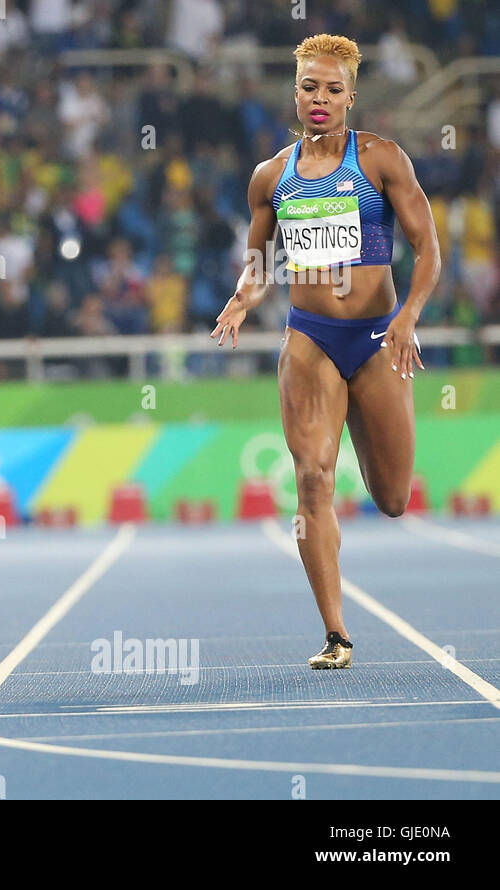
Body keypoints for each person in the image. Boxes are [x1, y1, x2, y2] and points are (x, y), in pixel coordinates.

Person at [211, 35, 440, 669]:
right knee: (312, 476)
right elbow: (260, 259)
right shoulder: (271, 176)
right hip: (309, 337)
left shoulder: (382, 160)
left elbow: (429, 249)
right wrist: (242, 297)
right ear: (296, 92)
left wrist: (409, 317)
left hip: (376, 338)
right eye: (310, 87)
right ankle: (336, 633)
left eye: (333, 90)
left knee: (393, 497)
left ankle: (376, 495)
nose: (320, 99)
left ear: (351, 96)